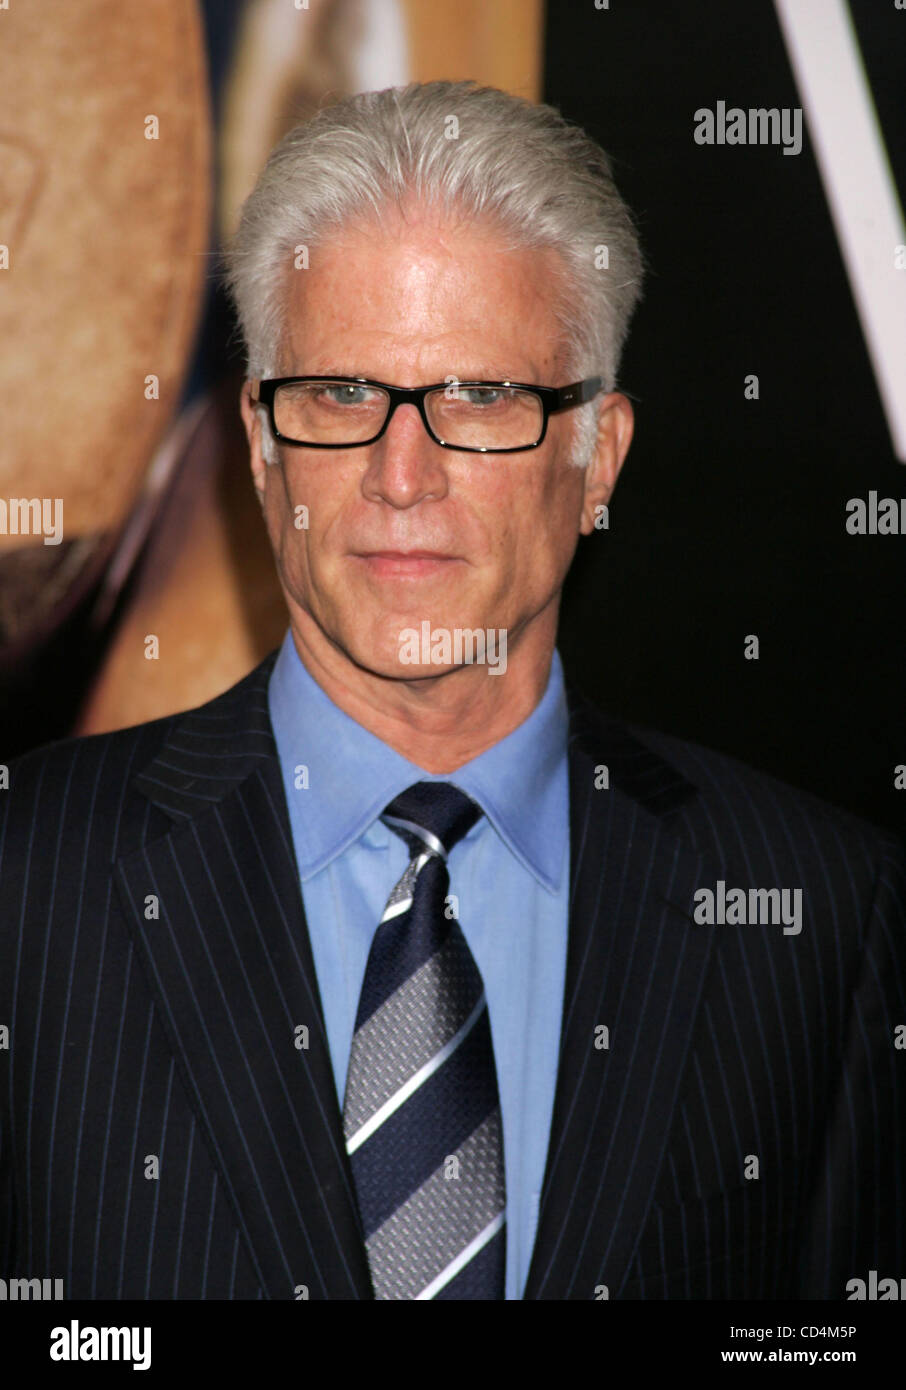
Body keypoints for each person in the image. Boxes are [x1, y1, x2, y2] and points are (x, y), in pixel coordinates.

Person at [1, 80, 903, 1302]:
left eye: (482, 396)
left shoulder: (818, 916)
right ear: (263, 453)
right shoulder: (24, 881)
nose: (400, 474)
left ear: (599, 460)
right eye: (342, 394)